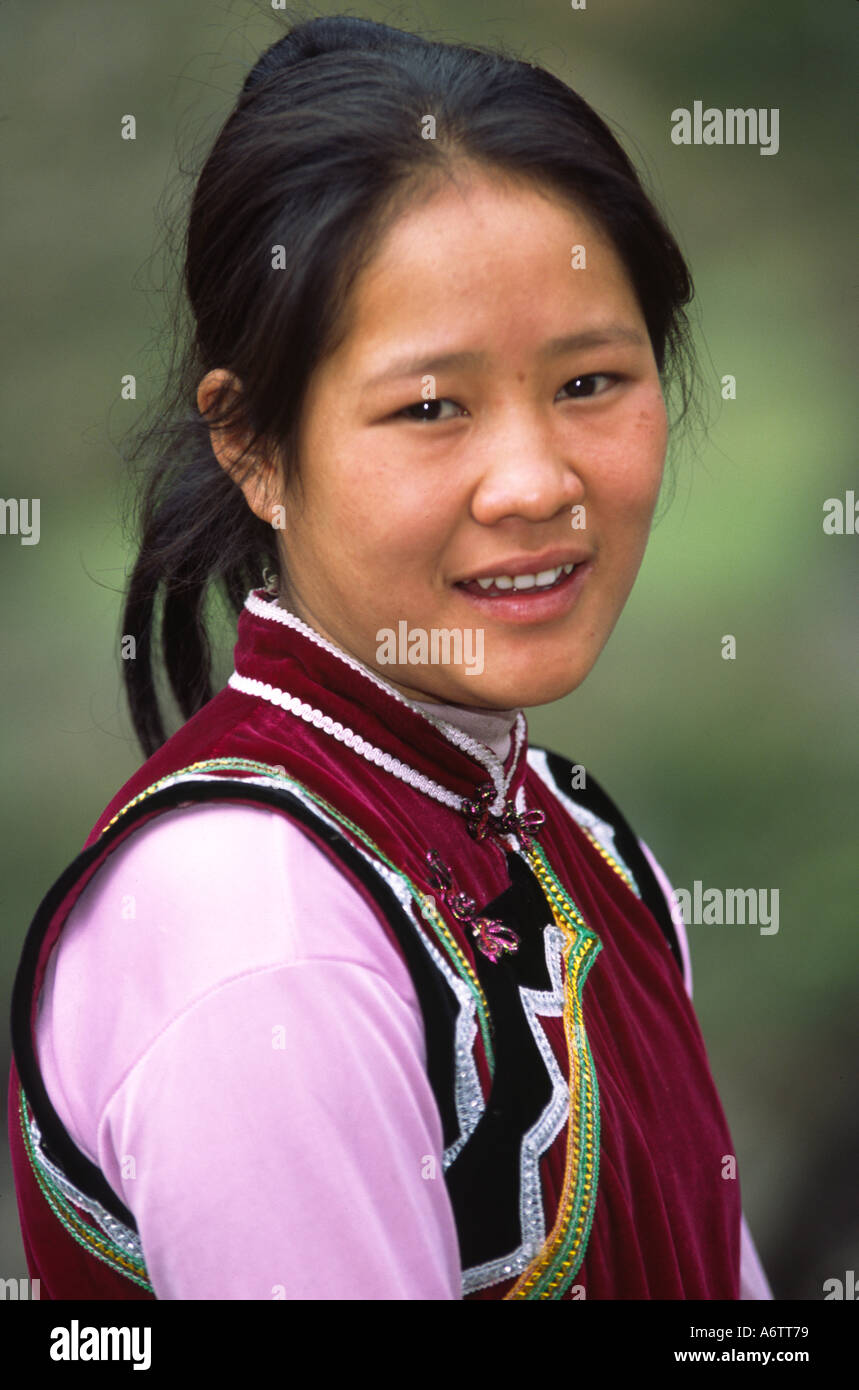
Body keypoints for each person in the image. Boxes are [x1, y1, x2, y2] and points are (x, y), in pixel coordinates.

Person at [8, 13, 773, 1300]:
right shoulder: (257, 922)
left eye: (590, 382)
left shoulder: (581, 841)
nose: (536, 482)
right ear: (252, 445)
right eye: (430, 408)